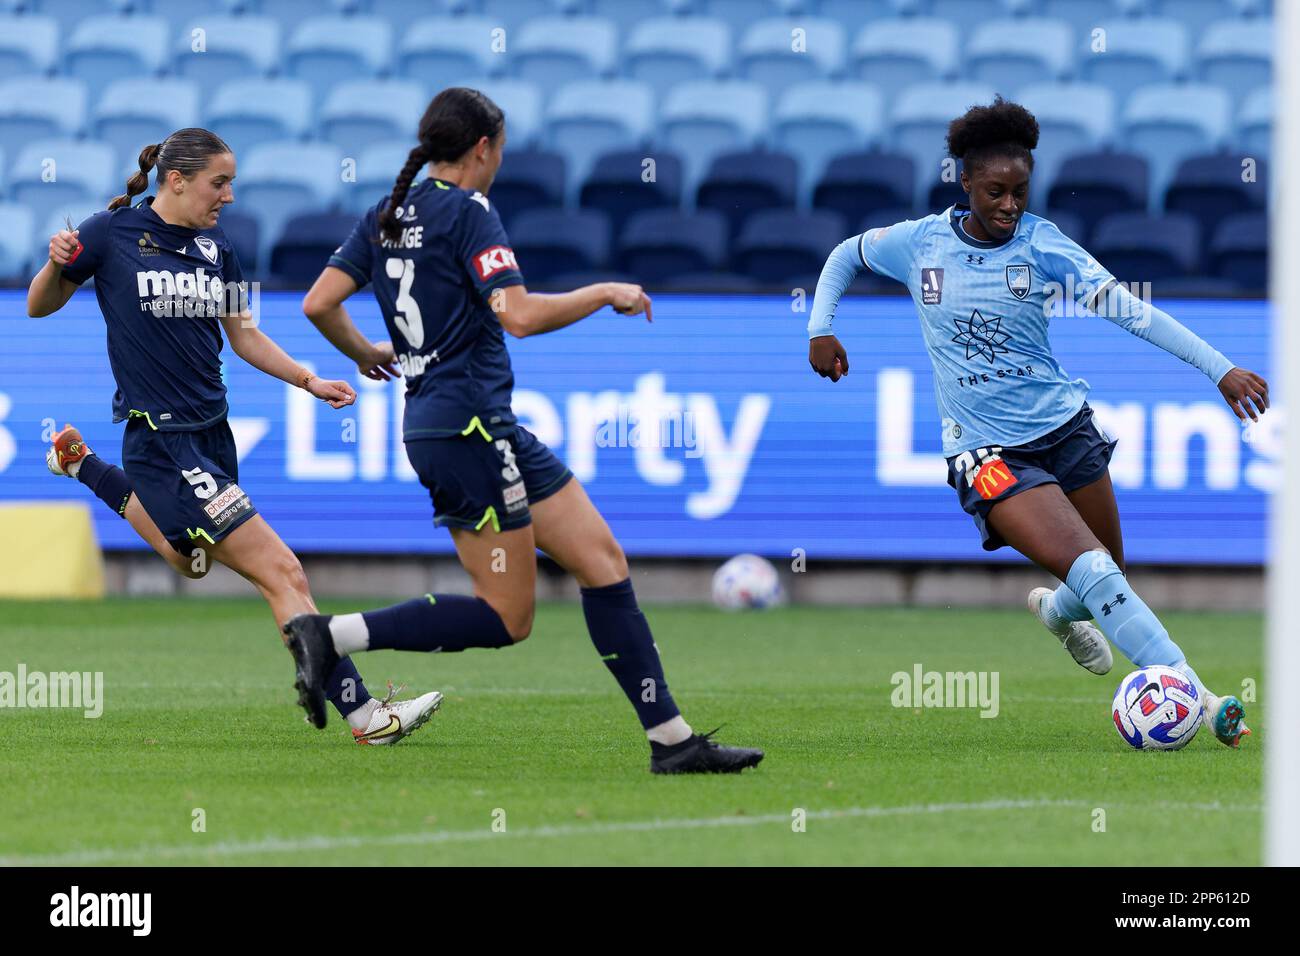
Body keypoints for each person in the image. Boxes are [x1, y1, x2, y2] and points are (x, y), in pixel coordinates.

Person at [292, 87, 763, 773]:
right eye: (500, 150)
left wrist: (366, 352)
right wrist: (604, 293)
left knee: (601, 561)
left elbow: (318, 303)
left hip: (473, 427)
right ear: (483, 149)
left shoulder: (388, 213)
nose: (500, 163)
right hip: (470, 430)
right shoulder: (469, 211)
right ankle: (332, 634)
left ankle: (672, 741)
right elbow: (516, 314)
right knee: (508, 617)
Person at [807, 97, 1265, 747]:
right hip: (985, 451)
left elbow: (1132, 313)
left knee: (1105, 573)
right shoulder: (919, 244)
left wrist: (1218, 367)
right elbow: (847, 254)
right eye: (995, 191)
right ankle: (1194, 690)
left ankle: (1056, 611)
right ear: (963, 181)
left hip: (1065, 429)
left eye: (1021, 191)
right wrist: (820, 327)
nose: (1010, 206)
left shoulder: (1044, 245)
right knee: (1098, 573)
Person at [29, 128, 442, 745]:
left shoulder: (220, 248)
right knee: (283, 570)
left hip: (212, 436)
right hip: (161, 439)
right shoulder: (109, 235)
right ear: (176, 181)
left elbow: (244, 335)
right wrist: (55, 263)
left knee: (189, 562)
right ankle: (365, 717)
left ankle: (81, 462)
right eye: (218, 183)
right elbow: (39, 305)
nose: (227, 196)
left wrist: (309, 379)